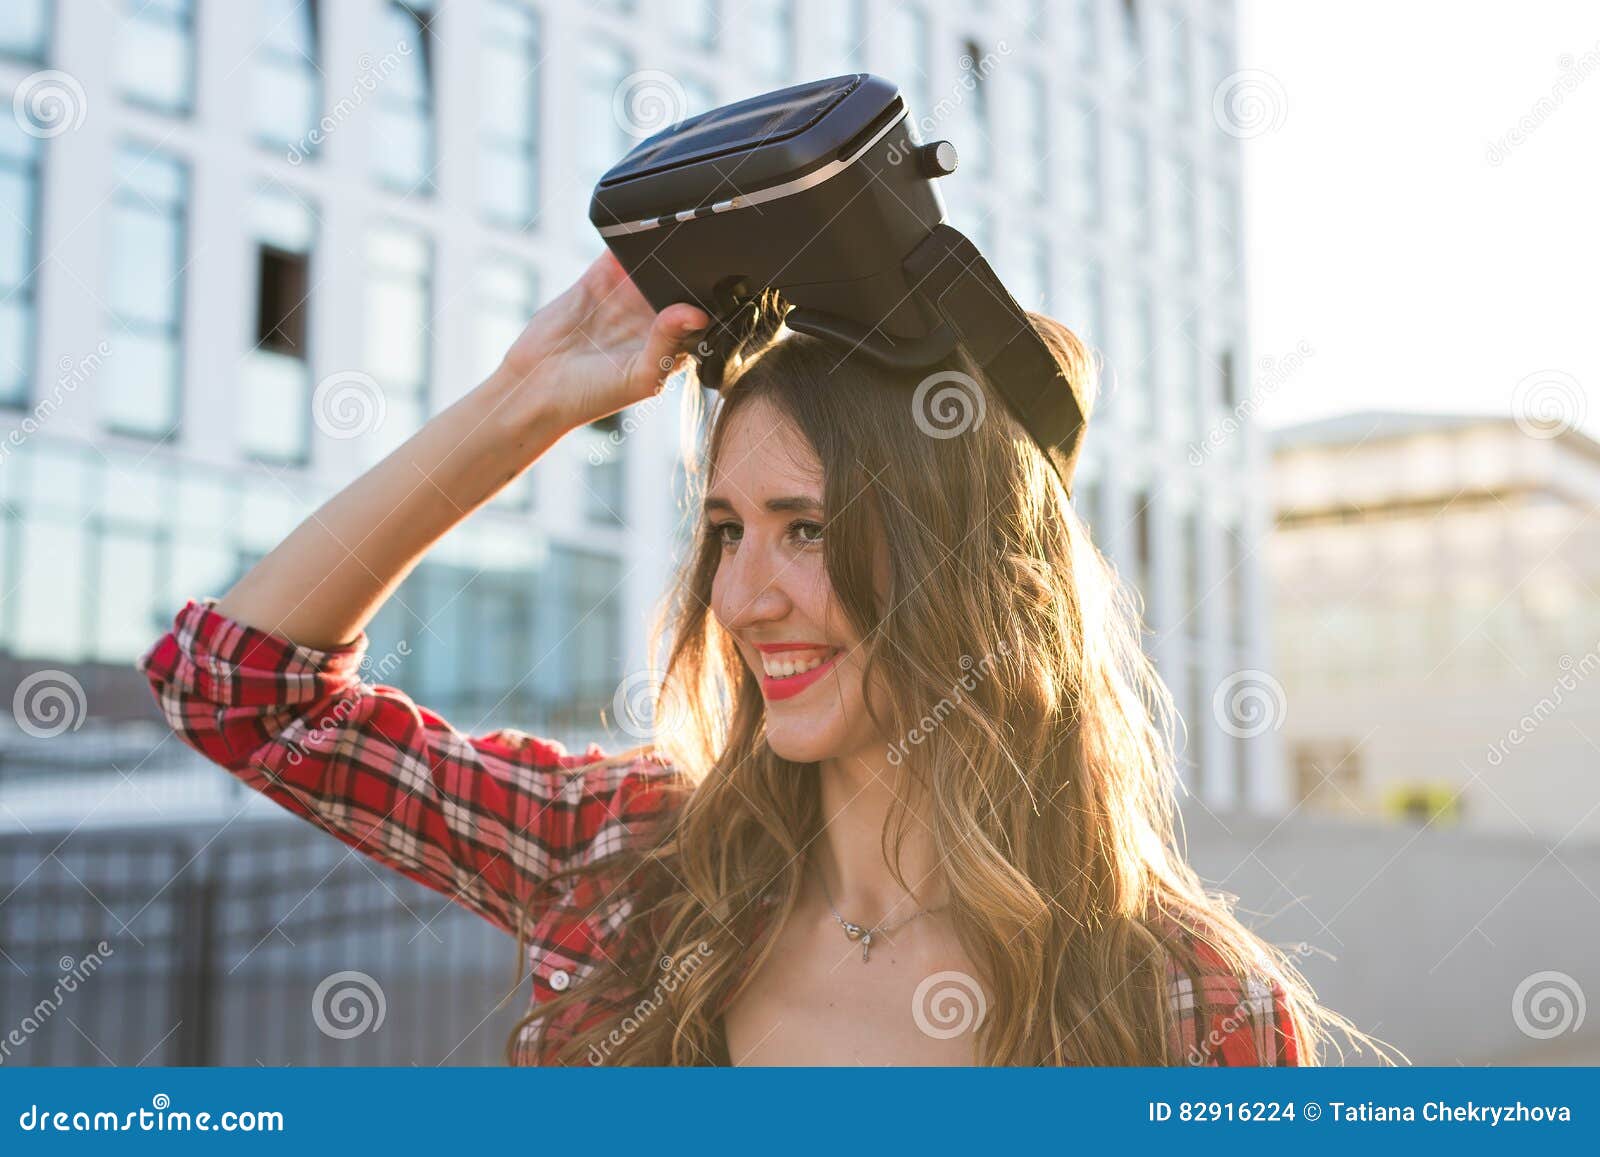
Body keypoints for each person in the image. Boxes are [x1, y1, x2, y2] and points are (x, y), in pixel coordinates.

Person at [138, 250, 1380, 1066]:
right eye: (726, 531)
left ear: (973, 569)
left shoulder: (1191, 1009)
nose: (739, 595)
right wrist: (526, 396)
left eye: (808, 530)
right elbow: (242, 691)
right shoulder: (623, 857)